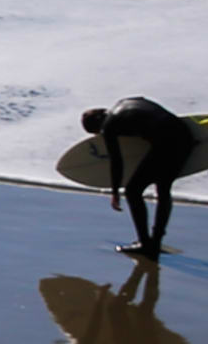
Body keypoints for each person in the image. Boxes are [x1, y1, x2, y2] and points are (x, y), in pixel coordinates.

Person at [80, 95, 197, 259]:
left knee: (132, 191)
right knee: (163, 190)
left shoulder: (110, 126)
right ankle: (155, 242)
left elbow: (117, 161)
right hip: (185, 137)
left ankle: (144, 243)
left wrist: (115, 192)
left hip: (166, 145)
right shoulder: (127, 102)